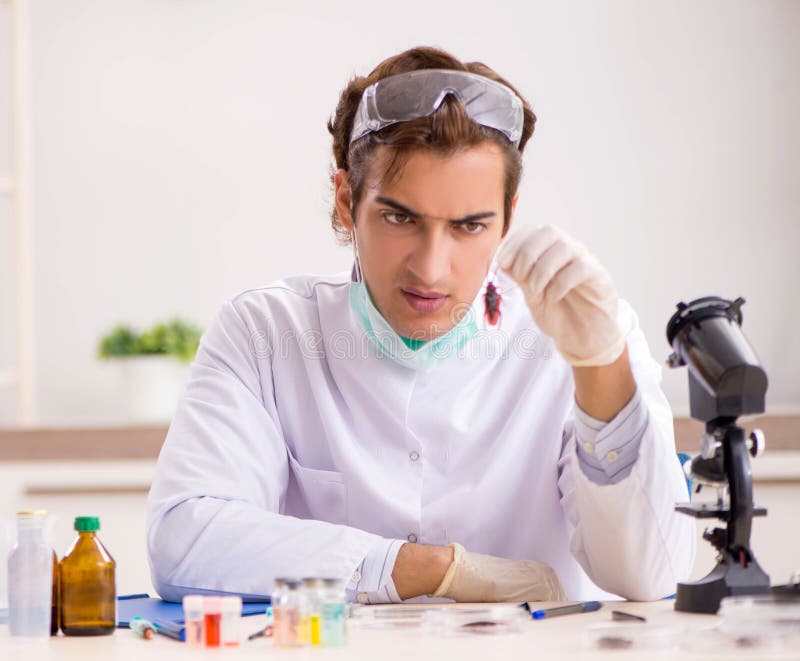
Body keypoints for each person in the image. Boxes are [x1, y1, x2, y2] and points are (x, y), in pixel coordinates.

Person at [146, 46, 695, 604]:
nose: (431, 269)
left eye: (470, 226)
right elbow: (184, 541)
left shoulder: (581, 332)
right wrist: (431, 570)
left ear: (508, 216)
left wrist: (601, 366)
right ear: (345, 200)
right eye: (399, 218)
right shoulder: (266, 333)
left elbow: (650, 575)